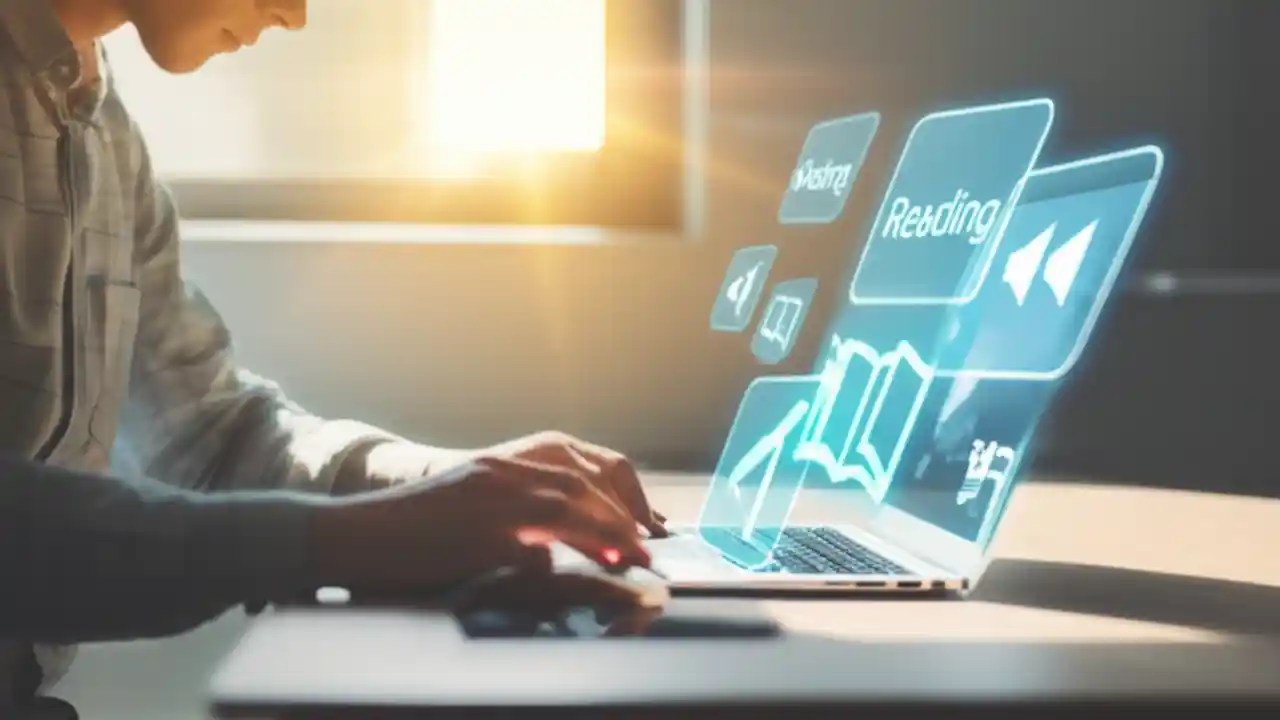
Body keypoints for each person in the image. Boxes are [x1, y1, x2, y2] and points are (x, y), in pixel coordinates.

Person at [0, 0, 667, 714]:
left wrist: (445, 484)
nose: (294, 15)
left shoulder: (105, 130)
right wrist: (342, 541)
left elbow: (211, 436)